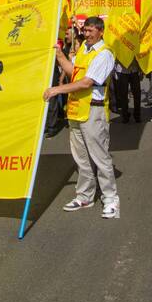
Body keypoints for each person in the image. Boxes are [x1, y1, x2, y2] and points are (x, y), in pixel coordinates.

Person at [43, 16, 119, 219]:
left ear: (100, 32)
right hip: (76, 110)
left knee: (99, 157)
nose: (87, 34)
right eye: (85, 30)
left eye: (91, 31)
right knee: (81, 158)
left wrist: (57, 90)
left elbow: (86, 83)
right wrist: (59, 55)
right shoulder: (84, 49)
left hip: (93, 111)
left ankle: (111, 198)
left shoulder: (104, 54)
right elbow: (73, 73)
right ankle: (85, 196)